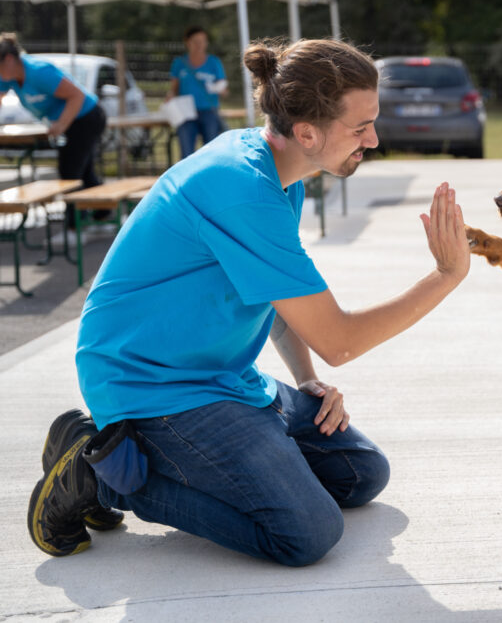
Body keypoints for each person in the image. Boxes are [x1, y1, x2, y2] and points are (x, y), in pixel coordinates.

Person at [27, 38, 471, 566]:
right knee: (306, 532)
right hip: (154, 387)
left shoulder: (283, 172)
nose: (373, 140)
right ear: (306, 131)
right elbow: (341, 341)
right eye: (361, 127)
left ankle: (175, 459)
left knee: (360, 473)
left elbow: (276, 296)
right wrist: (446, 275)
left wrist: (305, 380)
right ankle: (101, 476)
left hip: (220, 377)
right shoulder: (241, 188)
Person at [0, 32, 107, 220]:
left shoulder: (39, 71)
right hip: (72, 122)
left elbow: (77, 96)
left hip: (86, 118)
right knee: (84, 172)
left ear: (8, 59)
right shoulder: (7, 76)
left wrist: (61, 125)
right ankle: (102, 214)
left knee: (69, 172)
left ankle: (75, 225)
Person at [167, 26, 228, 158]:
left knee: (212, 151)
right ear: (187, 42)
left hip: (209, 111)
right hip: (186, 113)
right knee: (187, 152)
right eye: (196, 41)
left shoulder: (214, 62)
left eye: (203, 41)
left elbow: (224, 90)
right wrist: (170, 98)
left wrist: (218, 88)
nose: (200, 45)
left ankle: (211, 178)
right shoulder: (179, 63)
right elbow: (173, 89)